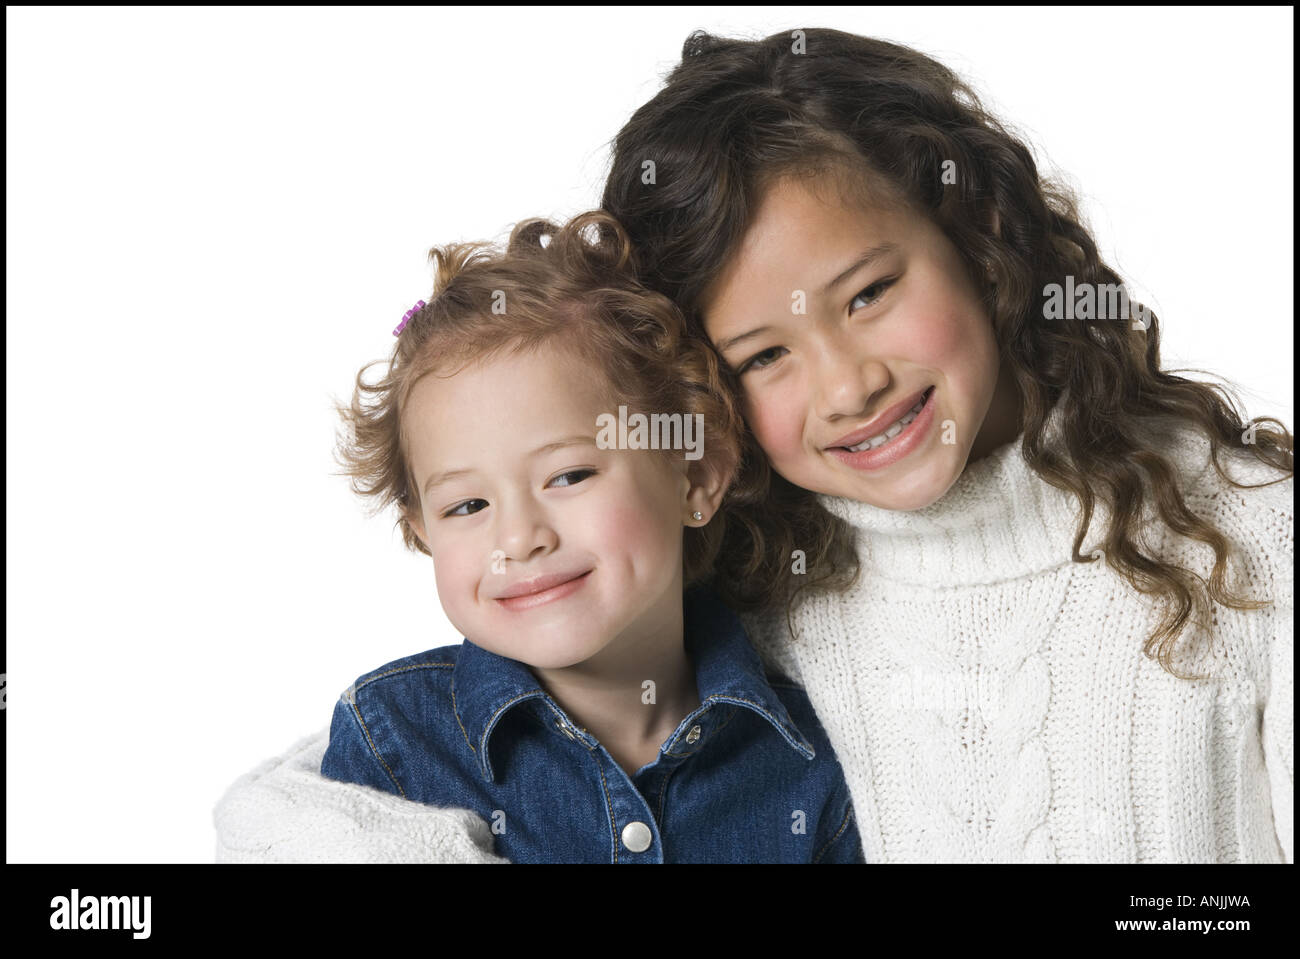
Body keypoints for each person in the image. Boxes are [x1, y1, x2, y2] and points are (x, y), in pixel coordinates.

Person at [214, 27, 1291, 864]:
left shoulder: (1256, 541)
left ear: (986, 244)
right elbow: (326, 783)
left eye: (869, 292)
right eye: (764, 355)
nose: (847, 382)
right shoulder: (776, 579)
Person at [310, 209, 862, 864]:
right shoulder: (393, 741)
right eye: (467, 505)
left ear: (697, 474)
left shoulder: (819, 756)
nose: (519, 537)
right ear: (422, 530)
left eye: (569, 475)